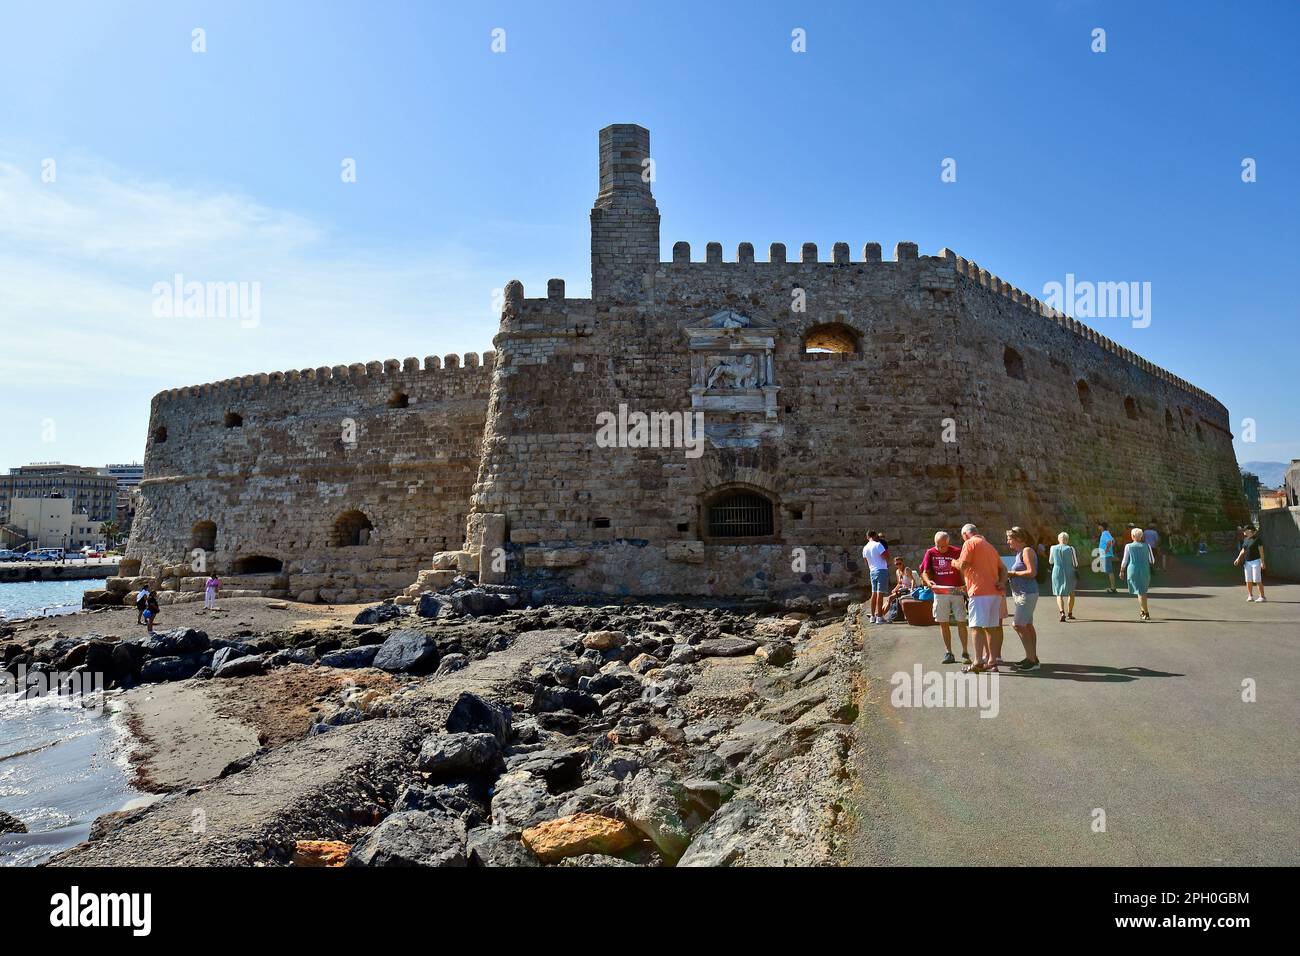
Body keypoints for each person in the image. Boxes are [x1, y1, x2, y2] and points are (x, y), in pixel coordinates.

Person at [952, 523, 1007, 673]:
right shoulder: (989, 546)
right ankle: (992, 662)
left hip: (979, 592)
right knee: (991, 628)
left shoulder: (970, 543)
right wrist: (1001, 582)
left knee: (976, 627)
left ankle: (977, 661)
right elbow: (1003, 568)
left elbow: (963, 565)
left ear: (965, 535)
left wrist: (954, 563)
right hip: (994, 593)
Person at [920, 531, 969, 664]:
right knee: (943, 622)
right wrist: (928, 581)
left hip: (956, 590)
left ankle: (965, 652)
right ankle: (949, 652)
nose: (940, 549)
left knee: (961, 621)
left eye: (943, 546)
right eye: (938, 546)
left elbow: (964, 569)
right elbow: (924, 571)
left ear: (948, 543)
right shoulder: (930, 552)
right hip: (940, 591)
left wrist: (966, 585)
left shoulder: (957, 551)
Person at [1005, 527, 1041, 671]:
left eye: (1010, 538)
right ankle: (1032, 657)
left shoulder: (1026, 551)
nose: (1008, 542)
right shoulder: (1020, 552)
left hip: (1027, 593)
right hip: (1023, 593)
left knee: (1018, 624)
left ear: (1019, 538)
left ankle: (1032, 660)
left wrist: (1013, 573)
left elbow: (1032, 572)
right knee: (1027, 625)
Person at [1120, 527, 1154, 621]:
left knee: (1140, 591)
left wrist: (1122, 570)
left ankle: (1145, 612)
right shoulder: (1147, 546)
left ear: (1133, 536)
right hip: (1144, 569)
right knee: (1142, 590)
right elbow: (1152, 560)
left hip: (1133, 569)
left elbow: (1125, 560)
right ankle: (1143, 611)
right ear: (1141, 536)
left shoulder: (1128, 546)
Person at [1049, 532, 1079, 622]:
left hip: (1057, 571)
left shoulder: (1053, 548)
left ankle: (1062, 612)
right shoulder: (1070, 548)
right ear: (1067, 539)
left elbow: (1051, 561)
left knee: (1059, 593)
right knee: (1071, 593)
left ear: (1058, 539)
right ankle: (1070, 613)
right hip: (1069, 571)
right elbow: (1075, 563)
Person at [862, 531, 891, 624]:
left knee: (873, 593)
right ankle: (879, 617)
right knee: (880, 593)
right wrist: (887, 563)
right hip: (881, 570)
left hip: (872, 571)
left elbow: (866, 562)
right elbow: (885, 556)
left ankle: (873, 616)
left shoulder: (865, 548)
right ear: (874, 536)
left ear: (867, 537)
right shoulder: (878, 545)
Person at [1234, 525, 1267, 602]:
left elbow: (1261, 551)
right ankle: (1250, 596)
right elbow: (1243, 550)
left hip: (1256, 561)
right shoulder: (1245, 539)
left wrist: (1262, 562)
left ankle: (1262, 597)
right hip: (1247, 562)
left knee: (1257, 579)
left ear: (1250, 531)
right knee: (1248, 580)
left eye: (1245, 530)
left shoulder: (1257, 540)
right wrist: (1238, 558)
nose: (1244, 531)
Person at [1097, 522, 1118, 592]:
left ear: (1102, 527)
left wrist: (1106, 550)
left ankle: (1113, 588)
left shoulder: (1105, 533)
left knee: (1110, 571)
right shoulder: (1106, 533)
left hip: (1106, 555)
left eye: (1099, 525)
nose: (1098, 527)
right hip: (1106, 555)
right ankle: (1113, 587)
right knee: (1109, 571)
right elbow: (1113, 541)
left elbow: (1109, 542)